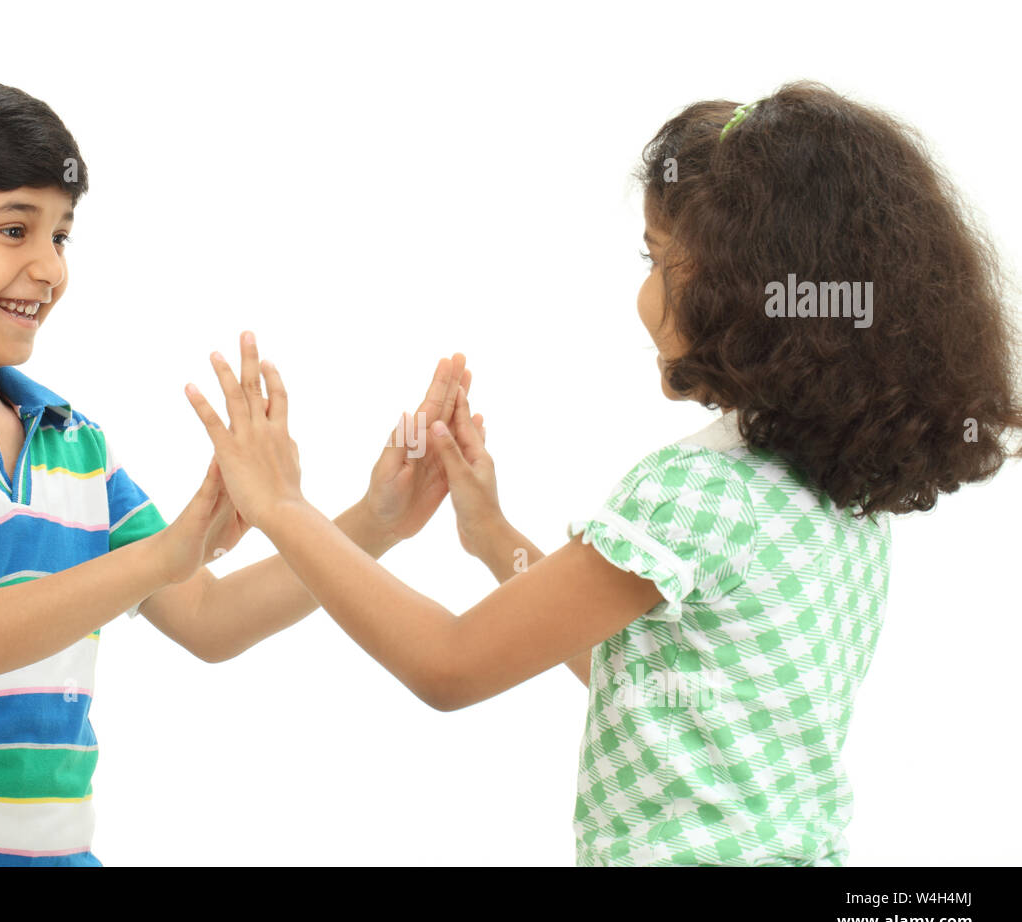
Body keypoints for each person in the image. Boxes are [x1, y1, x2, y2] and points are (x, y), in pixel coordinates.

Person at [185, 81, 1022, 865]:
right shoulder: (838, 502)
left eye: (661, 259)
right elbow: (653, 684)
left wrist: (283, 505)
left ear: (745, 293)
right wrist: (492, 538)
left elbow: (447, 664)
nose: (645, 292)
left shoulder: (697, 496)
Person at [0, 70, 469, 866]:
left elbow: (207, 617)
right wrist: (164, 552)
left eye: (61, 234)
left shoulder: (75, 443)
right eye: (14, 230)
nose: (50, 269)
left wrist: (371, 522)